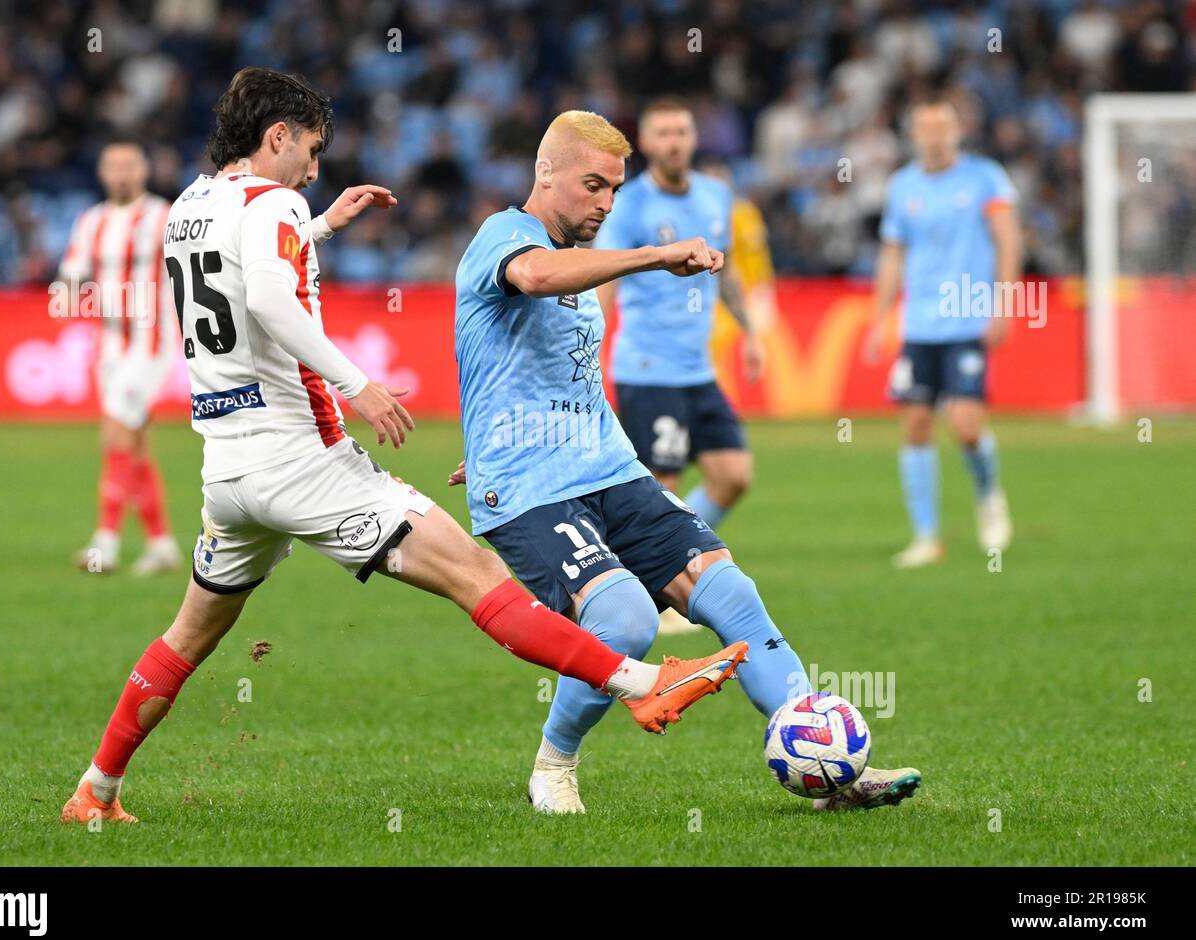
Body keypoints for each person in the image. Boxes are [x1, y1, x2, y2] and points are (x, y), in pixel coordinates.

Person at [60, 68, 746, 826]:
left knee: (188, 635)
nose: (313, 173)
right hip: (303, 462)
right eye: (311, 151)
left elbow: (236, 268)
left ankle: (96, 790)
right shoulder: (275, 203)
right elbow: (266, 294)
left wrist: (322, 228)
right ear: (277, 137)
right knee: (477, 575)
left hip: (226, 468)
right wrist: (357, 385)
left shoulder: (190, 205)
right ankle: (642, 683)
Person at [450, 109, 920, 814]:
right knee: (626, 623)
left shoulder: (580, 262)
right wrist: (651, 255)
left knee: (734, 595)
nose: (606, 203)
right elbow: (536, 276)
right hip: (531, 492)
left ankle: (830, 767)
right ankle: (553, 765)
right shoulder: (505, 235)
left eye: (615, 188)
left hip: (608, 469)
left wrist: (511, 430)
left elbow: (552, 373)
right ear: (545, 172)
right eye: (593, 185)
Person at [594, 98, 767, 634]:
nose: (674, 141)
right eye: (663, 133)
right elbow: (604, 274)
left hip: (698, 369)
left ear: (694, 138)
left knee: (733, 476)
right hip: (648, 368)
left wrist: (749, 331)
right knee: (659, 487)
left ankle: (666, 566)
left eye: (682, 131)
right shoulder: (629, 205)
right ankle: (661, 595)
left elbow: (727, 271)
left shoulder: (716, 195)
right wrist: (589, 347)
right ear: (645, 143)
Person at [864, 98, 1019, 568]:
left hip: (968, 316)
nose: (935, 136)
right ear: (913, 134)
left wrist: (1005, 304)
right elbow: (893, 254)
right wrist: (880, 319)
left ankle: (988, 493)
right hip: (920, 325)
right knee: (915, 425)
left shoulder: (985, 178)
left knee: (966, 427)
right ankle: (927, 537)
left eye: (943, 127)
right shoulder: (902, 186)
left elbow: (1008, 240)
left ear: (958, 131)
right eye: (926, 128)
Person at [59, 141, 182, 575]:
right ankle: (161, 544)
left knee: (114, 436)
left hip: (151, 342)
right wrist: (69, 294)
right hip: (110, 345)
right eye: (113, 165)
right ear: (101, 172)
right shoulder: (91, 221)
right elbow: (71, 276)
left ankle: (105, 544)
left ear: (144, 170)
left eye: (129, 165)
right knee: (135, 445)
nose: (122, 173)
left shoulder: (165, 216)